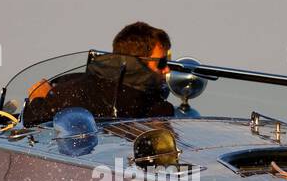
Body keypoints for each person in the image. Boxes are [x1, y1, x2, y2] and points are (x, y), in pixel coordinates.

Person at [24, 22, 175, 124]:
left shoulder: (73, 91)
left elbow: (32, 124)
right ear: (136, 61)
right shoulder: (160, 109)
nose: (167, 69)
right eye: (161, 63)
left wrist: (39, 100)